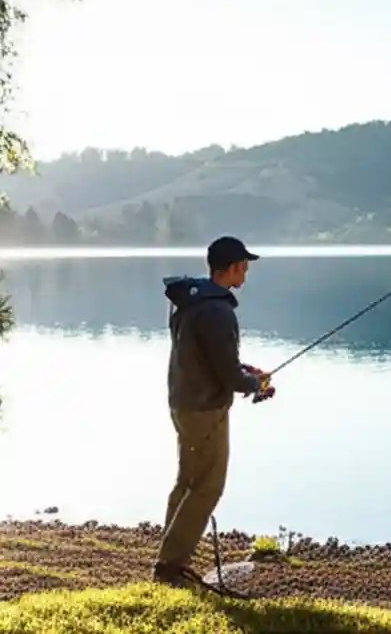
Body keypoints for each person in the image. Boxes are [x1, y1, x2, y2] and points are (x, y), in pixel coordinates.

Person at [153, 235, 272, 587]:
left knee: (187, 482)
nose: (246, 274)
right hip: (206, 409)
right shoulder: (218, 310)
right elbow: (228, 375)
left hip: (183, 402)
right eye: (244, 267)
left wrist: (246, 373)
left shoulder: (190, 301)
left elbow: (213, 359)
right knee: (208, 487)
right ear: (233, 267)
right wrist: (255, 384)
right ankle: (170, 568)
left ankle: (168, 561)